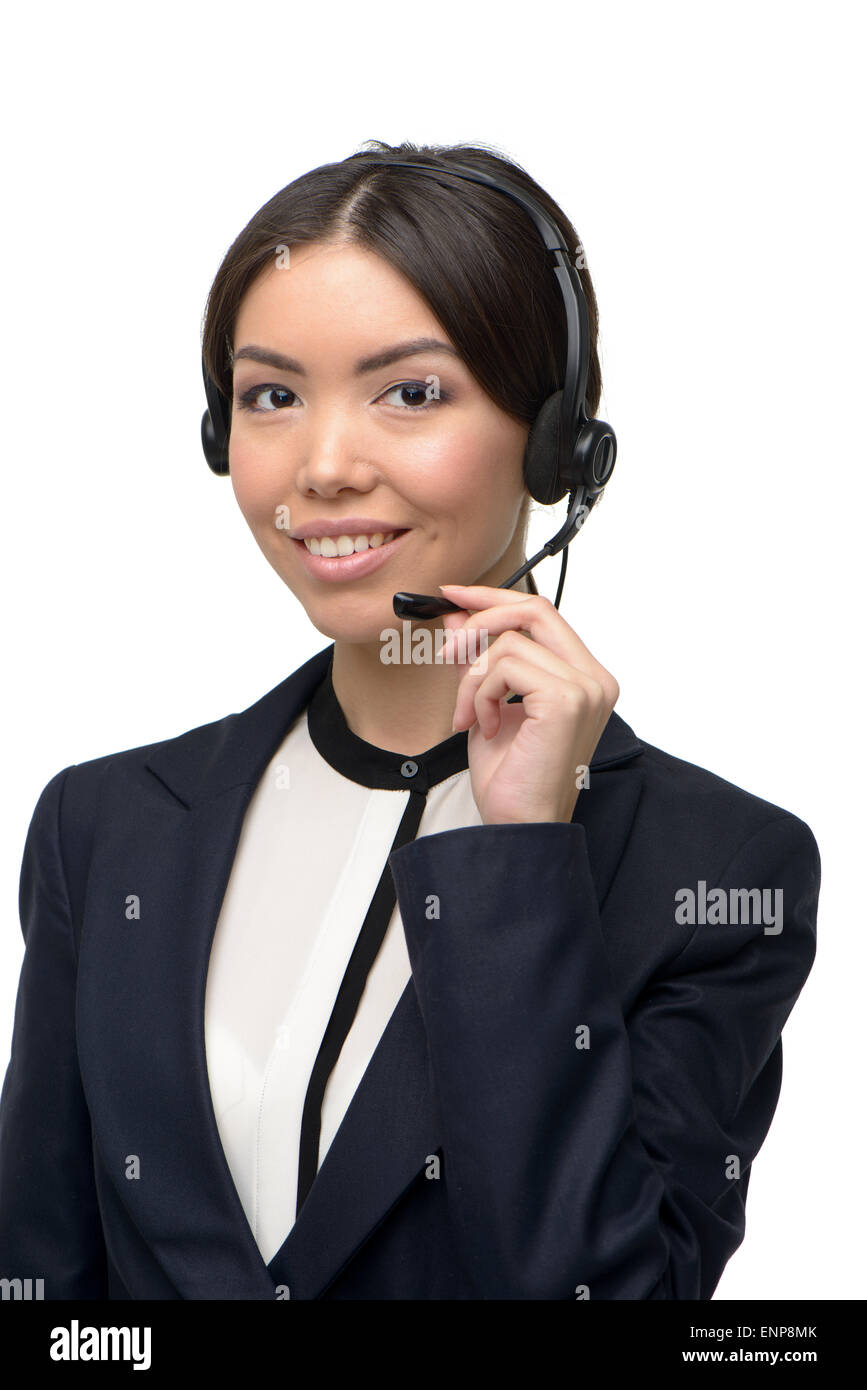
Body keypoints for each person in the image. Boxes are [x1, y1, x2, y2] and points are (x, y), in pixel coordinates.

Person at [0, 139, 820, 1300]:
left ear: (556, 440)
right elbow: (40, 1277)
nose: (324, 465)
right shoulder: (104, 823)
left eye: (411, 392)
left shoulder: (719, 868)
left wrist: (523, 854)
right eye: (271, 395)